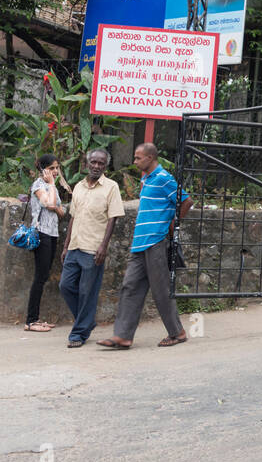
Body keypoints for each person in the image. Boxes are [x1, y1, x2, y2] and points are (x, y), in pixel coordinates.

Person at [99, 143, 191, 350]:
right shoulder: (147, 179)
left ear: (150, 158)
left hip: (156, 240)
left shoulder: (163, 178)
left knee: (161, 290)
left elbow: (186, 200)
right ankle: (123, 336)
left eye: (138, 158)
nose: (135, 161)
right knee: (130, 286)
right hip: (140, 243)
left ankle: (178, 333)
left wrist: (172, 224)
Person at [58, 149, 125, 348]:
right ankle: (87, 321)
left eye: (101, 163)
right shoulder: (78, 187)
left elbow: (113, 218)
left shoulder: (111, 187)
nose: (96, 166)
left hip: (93, 249)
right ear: (87, 164)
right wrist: (65, 245)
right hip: (74, 246)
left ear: (105, 166)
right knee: (66, 286)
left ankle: (79, 333)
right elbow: (73, 217)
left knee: (88, 292)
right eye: (93, 162)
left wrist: (104, 246)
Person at [25, 154, 68, 332]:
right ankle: (30, 321)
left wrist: (54, 205)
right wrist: (51, 188)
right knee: (40, 277)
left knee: (44, 276)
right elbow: (49, 203)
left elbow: (61, 211)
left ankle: (35, 318)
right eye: (51, 168)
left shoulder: (52, 186)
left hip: (52, 233)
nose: (56, 171)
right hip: (41, 233)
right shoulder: (39, 185)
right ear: (43, 169)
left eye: (57, 168)